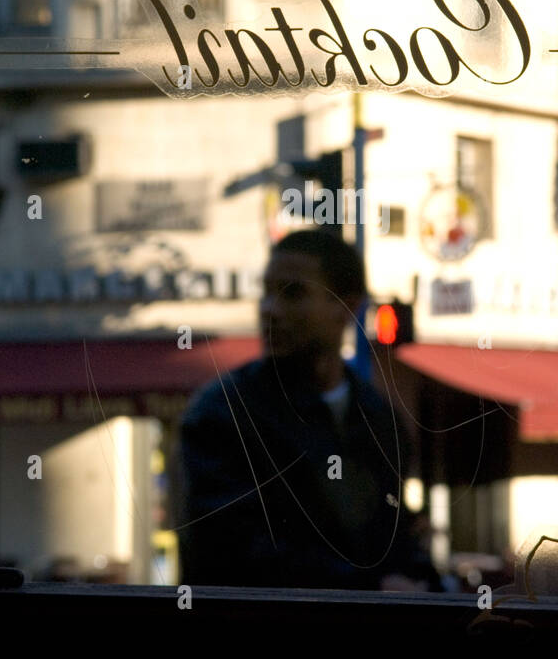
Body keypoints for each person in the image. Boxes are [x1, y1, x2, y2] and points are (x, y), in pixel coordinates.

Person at [175, 229, 439, 591]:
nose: (271, 309)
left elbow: (393, 533)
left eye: (293, 293)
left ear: (345, 307)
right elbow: (231, 551)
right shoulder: (222, 414)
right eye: (266, 292)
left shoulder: (380, 419)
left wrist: (423, 579)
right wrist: (372, 587)